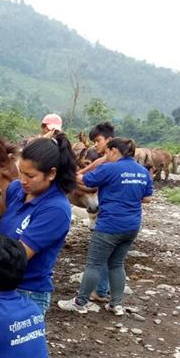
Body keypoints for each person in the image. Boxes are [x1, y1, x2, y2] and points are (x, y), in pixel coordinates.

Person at [0, 134, 77, 312]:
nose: (23, 180)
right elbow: (3, 227)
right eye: (21, 172)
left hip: (27, 293)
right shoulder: (16, 189)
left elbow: (17, 256)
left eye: (30, 175)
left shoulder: (56, 210)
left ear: (52, 174)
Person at [59, 137, 153, 315]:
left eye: (106, 152)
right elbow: (147, 198)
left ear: (114, 151)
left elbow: (84, 180)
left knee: (94, 264)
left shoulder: (110, 168)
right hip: (132, 226)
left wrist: (65, 172)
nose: (105, 156)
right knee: (117, 264)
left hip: (110, 225)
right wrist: (129, 195)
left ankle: (80, 302)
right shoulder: (142, 171)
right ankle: (116, 304)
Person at [80, 121, 117, 302]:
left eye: (98, 140)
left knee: (96, 260)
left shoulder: (106, 164)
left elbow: (84, 179)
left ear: (109, 140)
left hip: (108, 219)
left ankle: (83, 300)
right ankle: (114, 299)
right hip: (129, 221)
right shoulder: (131, 164)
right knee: (116, 262)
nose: (96, 145)